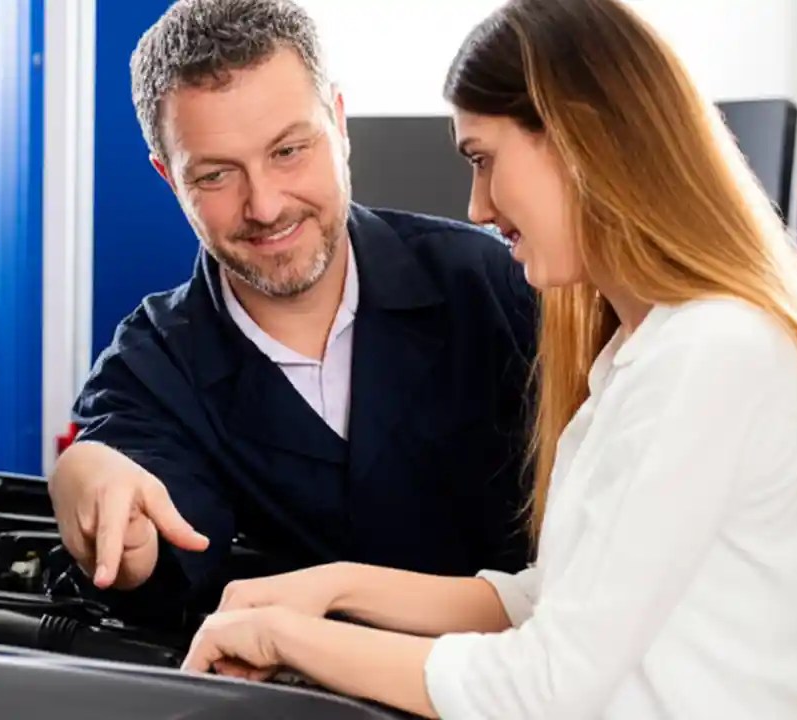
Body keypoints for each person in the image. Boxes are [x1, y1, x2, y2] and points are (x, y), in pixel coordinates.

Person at [177, 0, 797, 718]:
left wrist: (284, 638)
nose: (476, 206)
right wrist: (334, 586)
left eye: (483, 160)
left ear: (583, 141)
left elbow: (545, 685)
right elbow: (548, 601)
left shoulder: (713, 355)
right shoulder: (643, 355)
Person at [47, 0, 538, 620]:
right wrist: (99, 492)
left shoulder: (493, 284)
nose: (266, 205)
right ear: (170, 179)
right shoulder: (151, 368)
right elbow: (149, 531)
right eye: (217, 175)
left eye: (288, 152)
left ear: (339, 123)